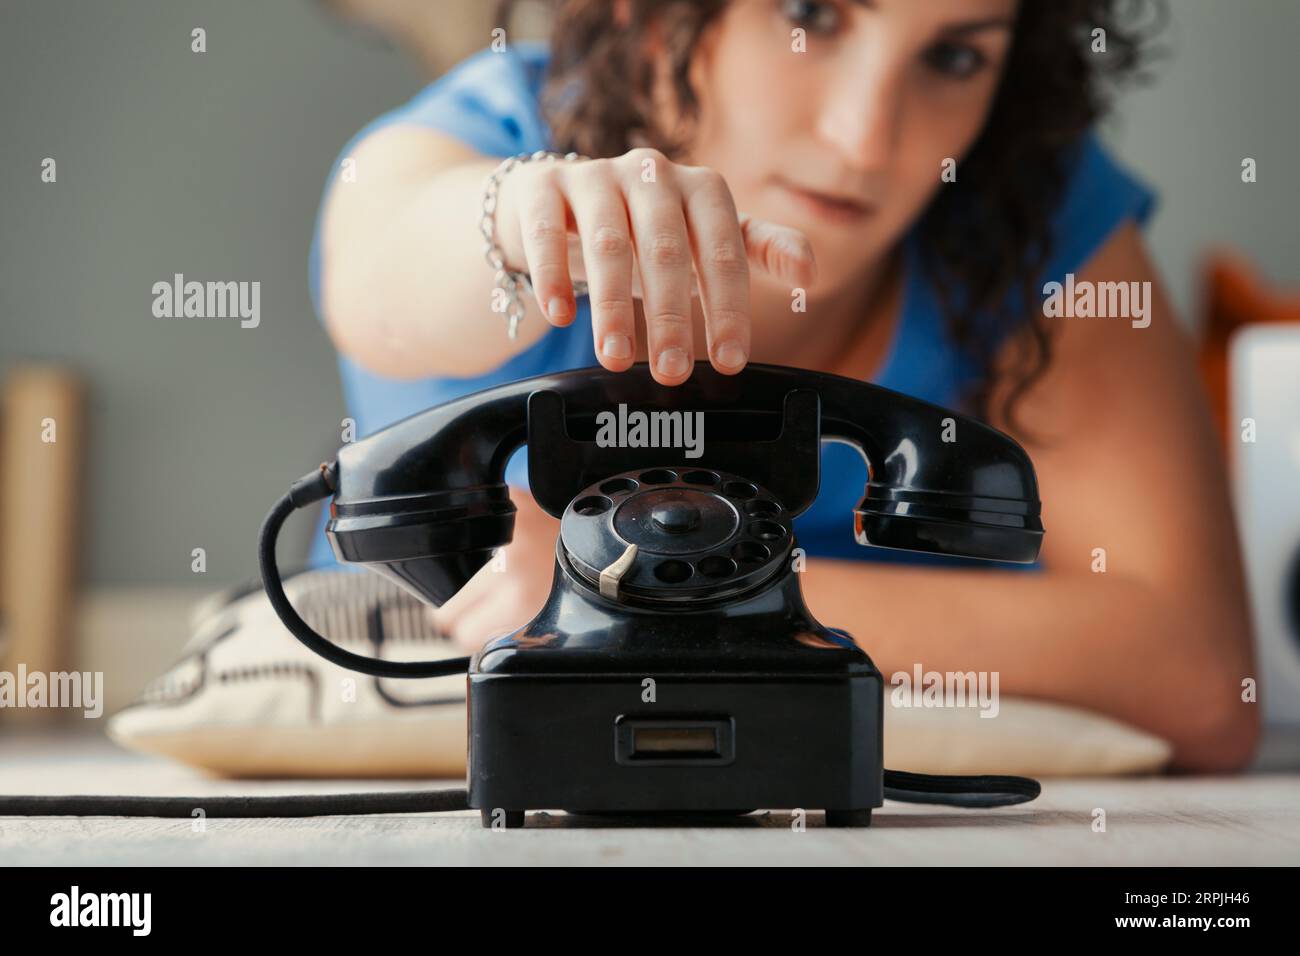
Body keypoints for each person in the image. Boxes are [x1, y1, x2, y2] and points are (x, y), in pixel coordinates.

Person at [308, 0, 1257, 770]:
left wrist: (614, 599)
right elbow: (377, 266)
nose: (865, 135)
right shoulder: (487, 136)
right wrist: (525, 222)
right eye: (813, 14)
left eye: (956, 56)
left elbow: (1200, 681)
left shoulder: (1026, 209)